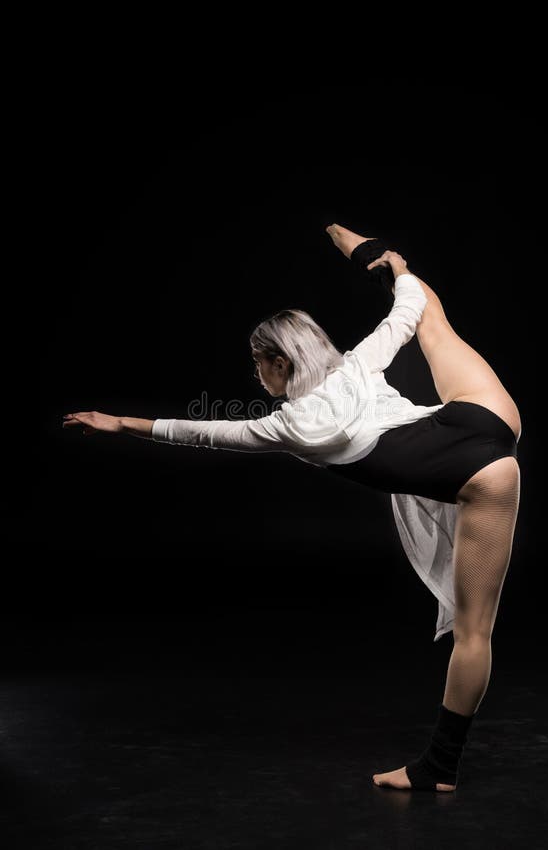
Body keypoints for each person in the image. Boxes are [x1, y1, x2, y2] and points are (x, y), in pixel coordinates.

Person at [63, 223, 522, 792]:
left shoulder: (288, 427)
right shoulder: (356, 365)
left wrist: (120, 423)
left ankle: (440, 768)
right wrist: (398, 274)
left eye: (257, 364)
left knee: (474, 635)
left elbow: (197, 433)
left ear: (279, 362)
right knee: (427, 314)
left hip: (488, 480)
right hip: (488, 411)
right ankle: (374, 251)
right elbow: (405, 312)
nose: (255, 376)